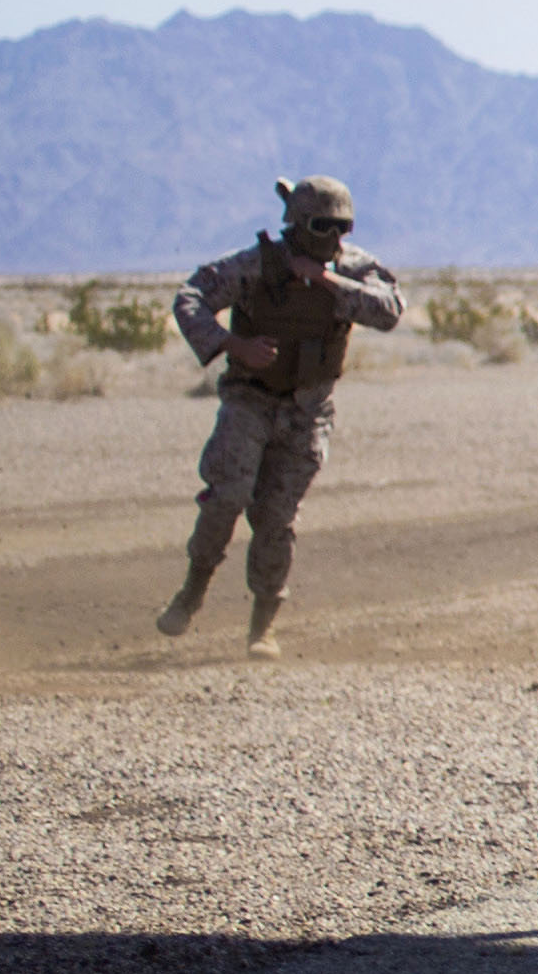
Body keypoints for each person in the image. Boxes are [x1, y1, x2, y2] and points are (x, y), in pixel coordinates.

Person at [163, 176, 404, 651]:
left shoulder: (352, 268)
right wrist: (235, 345)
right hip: (251, 401)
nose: (335, 237)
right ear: (296, 224)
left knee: (276, 518)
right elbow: (191, 297)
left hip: (307, 411)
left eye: (343, 227)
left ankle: (263, 624)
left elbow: (390, 310)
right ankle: (192, 592)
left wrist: (326, 280)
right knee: (228, 496)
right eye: (323, 226)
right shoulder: (256, 267)